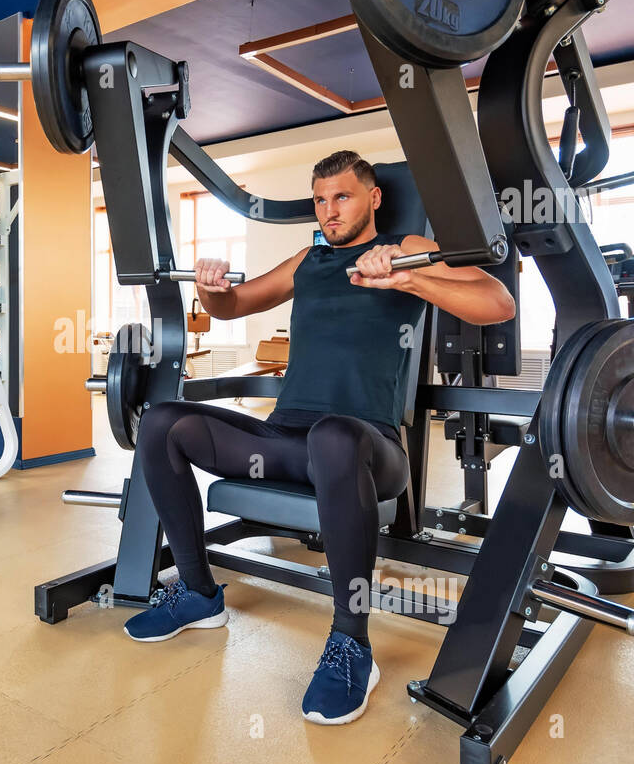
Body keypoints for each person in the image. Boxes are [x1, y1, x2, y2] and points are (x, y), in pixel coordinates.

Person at [125, 150, 515, 725]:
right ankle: (198, 593)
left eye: (343, 197)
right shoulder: (308, 259)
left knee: (332, 437)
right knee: (161, 422)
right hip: (286, 440)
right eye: (320, 200)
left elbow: (496, 303)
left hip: (368, 446)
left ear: (373, 198)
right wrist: (208, 290)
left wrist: (406, 276)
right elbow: (233, 304)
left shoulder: (406, 249)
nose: (330, 211)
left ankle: (351, 642)